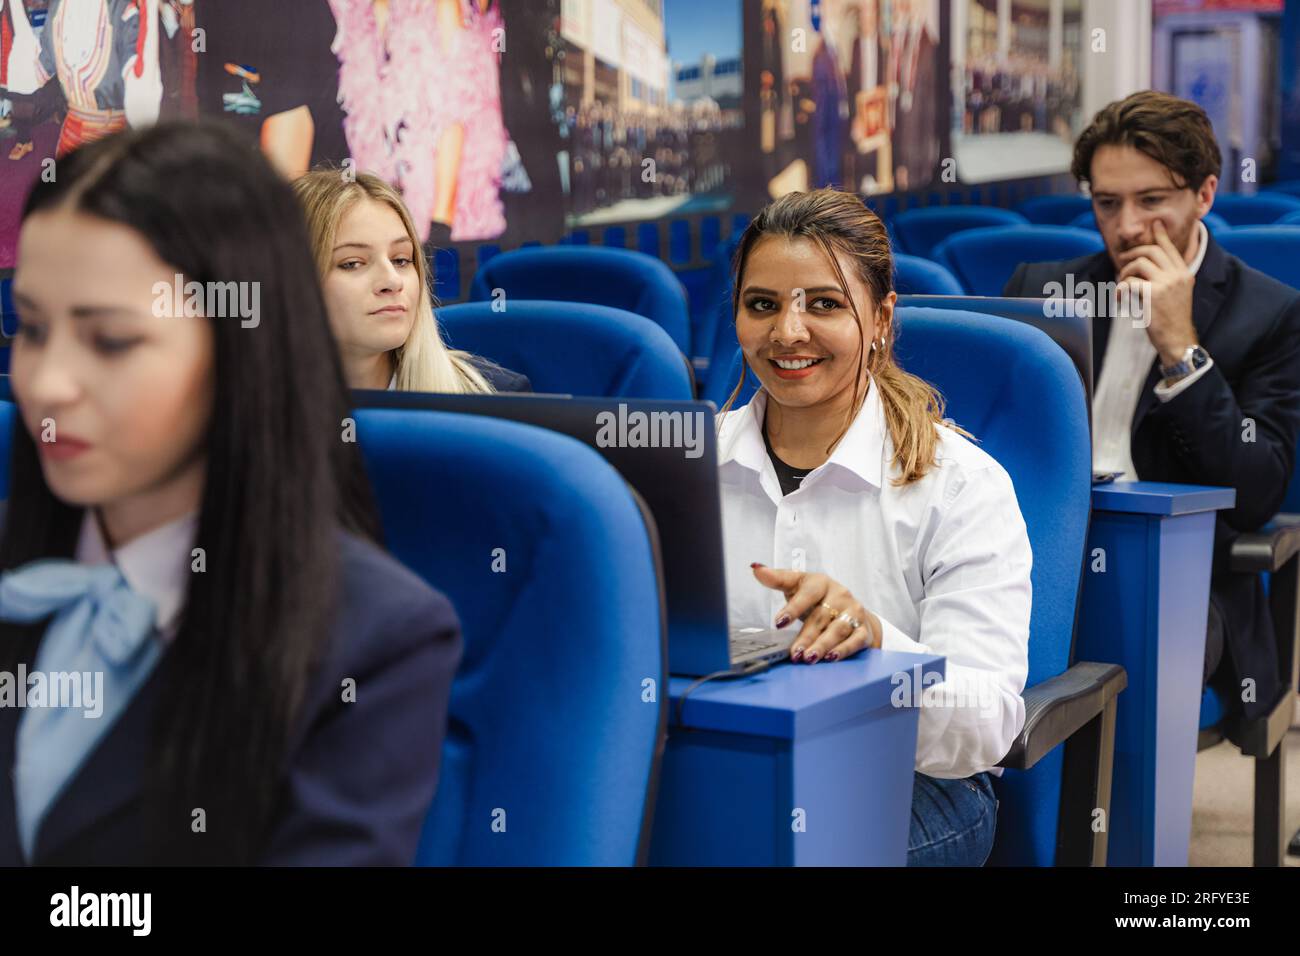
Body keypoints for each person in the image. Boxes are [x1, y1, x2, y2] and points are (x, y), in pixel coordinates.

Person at [0, 120, 462, 865]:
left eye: (111, 340)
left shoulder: (374, 642)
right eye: (30, 327)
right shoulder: (22, 572)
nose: (46, 383)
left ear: (241, 350)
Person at [715, 188, 1032, 866]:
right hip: (728, 754)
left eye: (824, 304)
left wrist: (875, 645)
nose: (787, 332)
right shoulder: (689, 467)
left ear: (882, 318)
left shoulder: (963, 484)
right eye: (762, 304)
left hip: (917, 780)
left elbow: (986, 727)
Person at [1004, 91, 1300, 728]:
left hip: (1178, 580)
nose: (1129, 226)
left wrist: (1181, 351)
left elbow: (1254, 493)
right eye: (1107, 204)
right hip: (1040, 564)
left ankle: (1104, 828)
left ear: (1205, 194)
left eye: (1152, 201)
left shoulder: (1270, 313)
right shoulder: (1043, 291)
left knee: (1111, 662)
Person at [294, 168, 528, 393]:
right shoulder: (259, 419)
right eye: (353, 263)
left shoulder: (497, 400)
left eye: (401, 260)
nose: (393, 281)